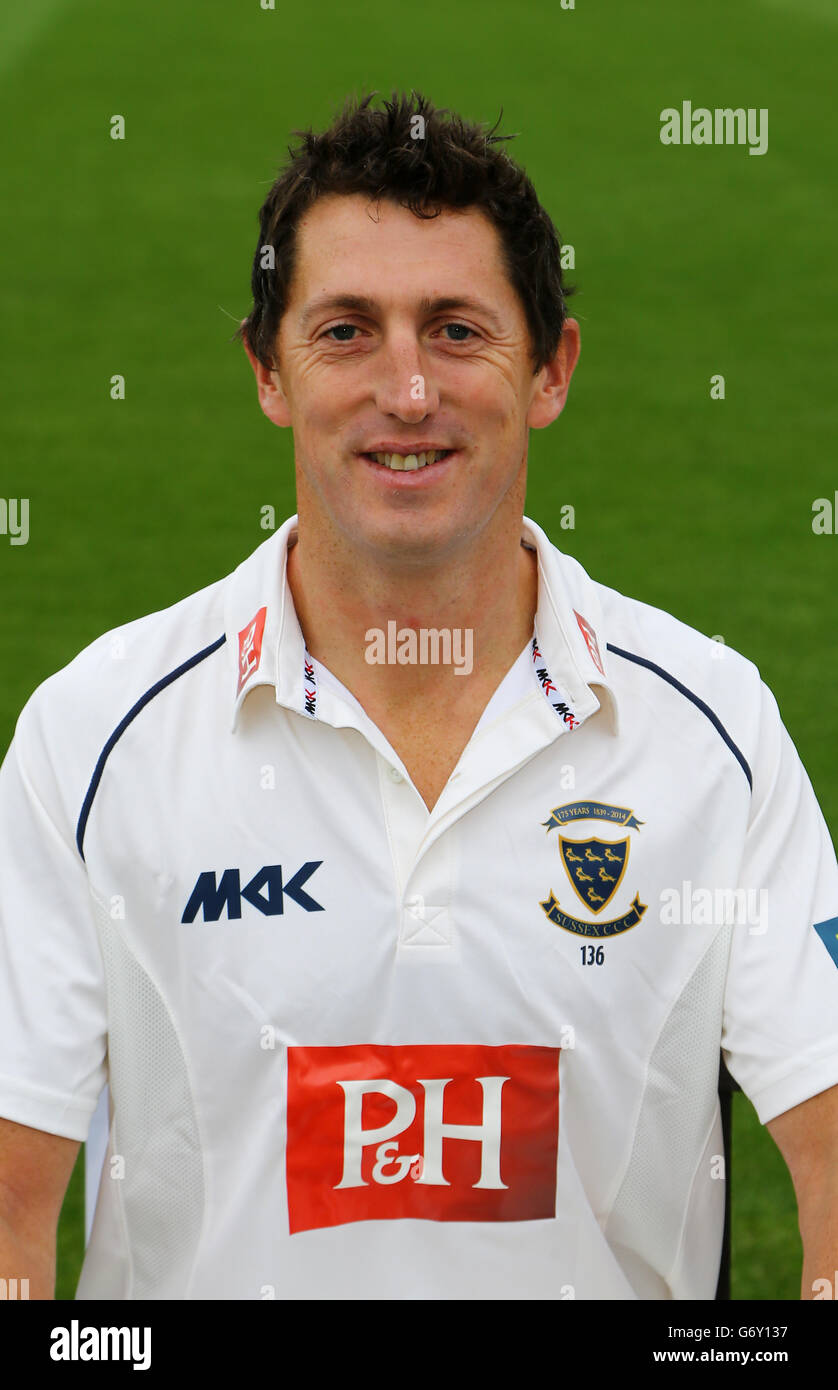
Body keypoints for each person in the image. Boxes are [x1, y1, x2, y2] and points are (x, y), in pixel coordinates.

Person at [1, 90, 836, 1302]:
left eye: (455, 331)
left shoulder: (709, 731)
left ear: (550, 369)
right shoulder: (92, 742)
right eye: (346, 332)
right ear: (268, 372)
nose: (405, 392)